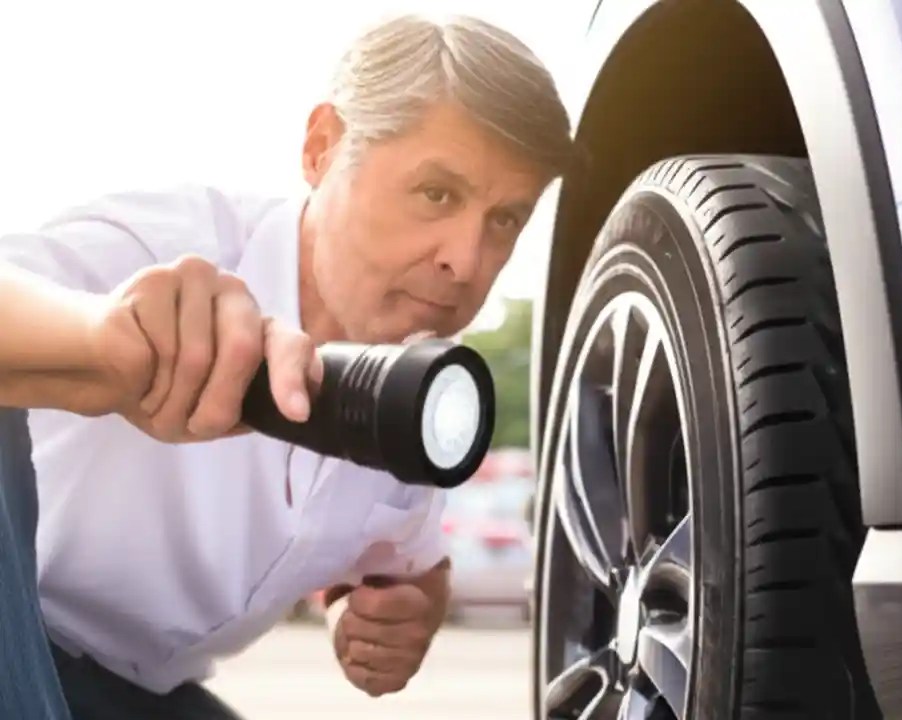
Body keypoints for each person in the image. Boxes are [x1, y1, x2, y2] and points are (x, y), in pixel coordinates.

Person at [0, 12, 575, 719]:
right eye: (437, 194)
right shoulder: (164, 250)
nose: (467, 260)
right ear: (322, 148)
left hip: (136, 693)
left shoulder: (421, 401)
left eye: (505, 220)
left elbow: (408, 563)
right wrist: (100, 341)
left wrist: (401, 614)